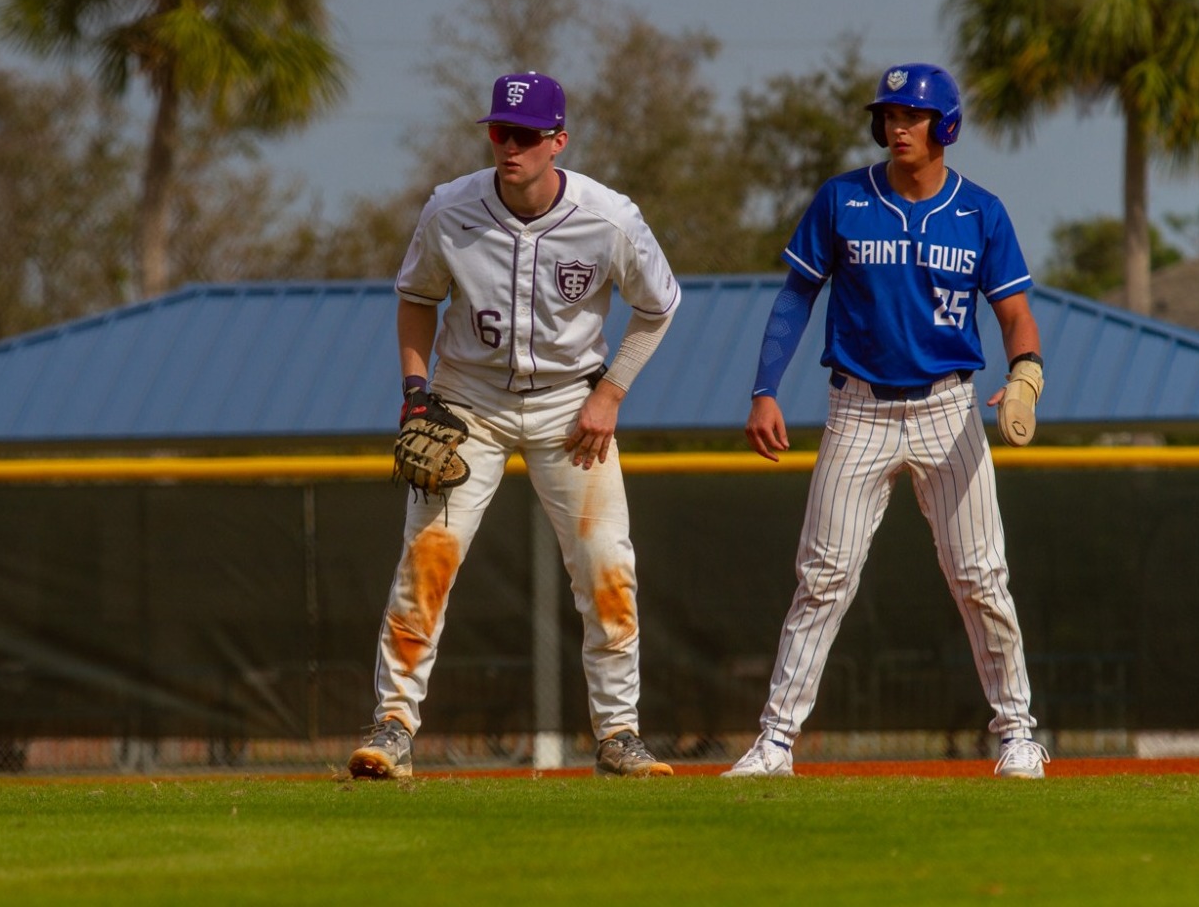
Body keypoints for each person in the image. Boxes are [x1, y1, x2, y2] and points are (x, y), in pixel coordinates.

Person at [348, 72, 683, 780]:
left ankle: (619, 734)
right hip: (467, 401)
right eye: (501, 132)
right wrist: (415, 395)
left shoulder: (607, 218)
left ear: (559, 141)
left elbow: (659, 306)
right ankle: (393, 725)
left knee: (606, 568)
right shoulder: (450, 209)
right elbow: (416, 298)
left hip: (570, 406)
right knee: (427, 561)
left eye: (527, 136)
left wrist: (611, 392)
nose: (510, 147)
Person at [722, 63, 1049, 780]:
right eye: (889, 115)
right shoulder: (843, 199)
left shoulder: (980, 212)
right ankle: (775, 741)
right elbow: (795, 296)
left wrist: (1025, 368)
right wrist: (765, 389)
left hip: (948, 410)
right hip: (858, 410)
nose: (898, 127)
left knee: (981, 578)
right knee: (823, 578)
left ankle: (1018, 735)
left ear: (945, 126)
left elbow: (1015, 312)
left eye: (913, 115)